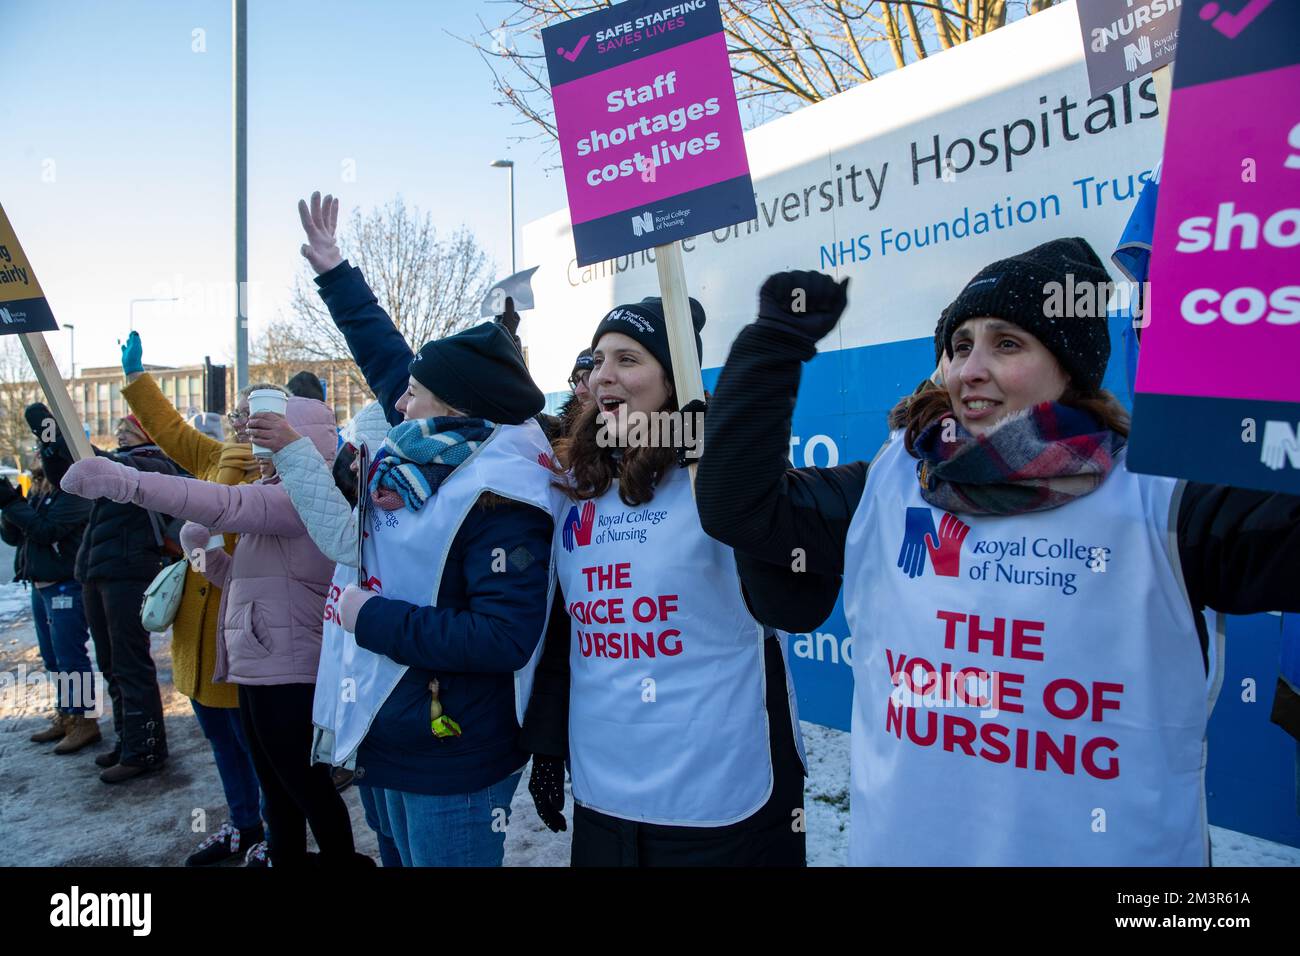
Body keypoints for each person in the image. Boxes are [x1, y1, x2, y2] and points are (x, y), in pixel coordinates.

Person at [695, 240, 1300, 865]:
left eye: (1006, 344)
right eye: (960, 347)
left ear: (1070, 369)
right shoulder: (896, 479)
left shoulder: (1165, 499)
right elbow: (738, 505)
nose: (969, 370)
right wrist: (772, 344)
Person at [287, 189, 556, 867]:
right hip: (389, 732)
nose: (397, 401)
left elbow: (503, 637)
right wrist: (335, 273)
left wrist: (368, 615)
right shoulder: (430, 452)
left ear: (455, 404)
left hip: (454, 758)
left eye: (414, 392)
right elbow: (386, 357)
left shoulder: (504, 493)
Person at [525, 293, 808, 867]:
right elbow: (567, 631)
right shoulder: (578, 485)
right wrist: (549, 746)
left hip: (722, 794)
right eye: (599, 360)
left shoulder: (724, 475)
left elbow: (789, 601)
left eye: (628, 359)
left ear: (675, 381)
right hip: (608, 792)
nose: (605, 375)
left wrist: (732, 466)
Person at [60, 396, 367, 868]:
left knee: (306, 787)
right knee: (278, 789)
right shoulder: (283, 493)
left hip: (290, 672)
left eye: (266, 439)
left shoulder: (299, 499)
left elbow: (222, 501)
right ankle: (284, 859)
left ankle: (342, 864)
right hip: (262, 666)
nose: (257, 451)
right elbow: (242, 582)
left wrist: (126, 481)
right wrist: (202, 554)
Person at [119, 330, 266, 866]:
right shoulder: (215, 454)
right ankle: (244, 825)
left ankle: (276, 833)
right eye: (241, 410)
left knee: (260, 748)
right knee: (223, 744)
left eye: (257, 410)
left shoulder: (285, 467)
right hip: (198, 636)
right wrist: (137, 379)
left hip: (246, 635)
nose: (244, 418)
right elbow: (169, 429)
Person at [34, 403, 180, 782]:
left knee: (131, 664)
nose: (120, 437)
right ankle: (127, 740)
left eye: (127, 432)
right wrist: (49, 441)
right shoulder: (121, 464)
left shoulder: (152, 464)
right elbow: (68, 474)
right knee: (111, 664)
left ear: (147, 436)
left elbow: (95, 462)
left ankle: (145, 748)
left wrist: (59, 430)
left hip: (128, 574)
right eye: (118, 432)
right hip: (99, 574)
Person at [0, 461, 98, 752]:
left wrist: (13, 504)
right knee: (53, 658)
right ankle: (67, 716)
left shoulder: (74, 490)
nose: (38, 453)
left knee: (70, 658)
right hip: (41, 585)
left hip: (65, 583)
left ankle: (84, 721)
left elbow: (46, 531)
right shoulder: (40, 488)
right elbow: (15, 537)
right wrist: (10, 507)